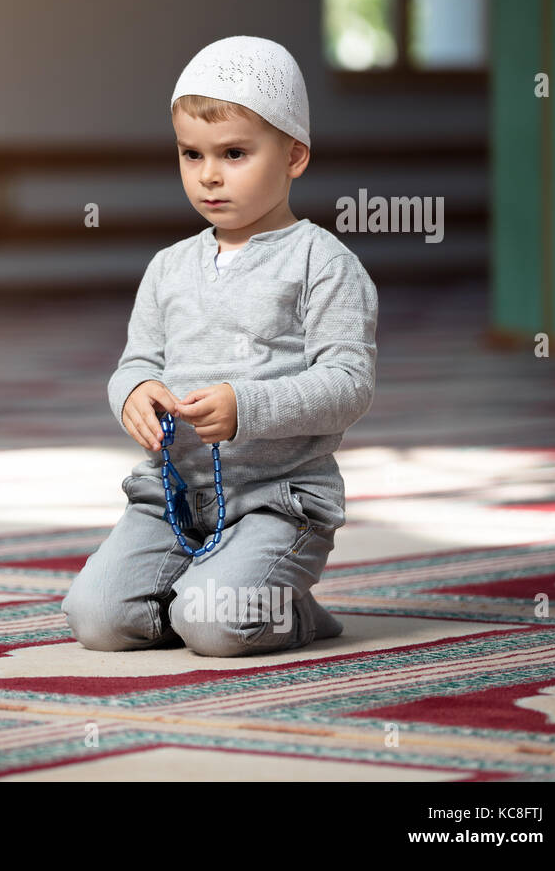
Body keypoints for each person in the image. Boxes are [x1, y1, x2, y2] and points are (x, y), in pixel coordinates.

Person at [61, 35, 379, 657]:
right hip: (172, 500)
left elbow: (349, 384)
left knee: (214, 628)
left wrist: (247, 406)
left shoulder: (324, 263)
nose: (208, 175)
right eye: (191, 154)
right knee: (96, 620)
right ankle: (213, 587)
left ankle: (290, 610)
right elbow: (138, 362)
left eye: (234, 153)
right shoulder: (168, 267)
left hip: (276, 501)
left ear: (293, 156)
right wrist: (133, 394)